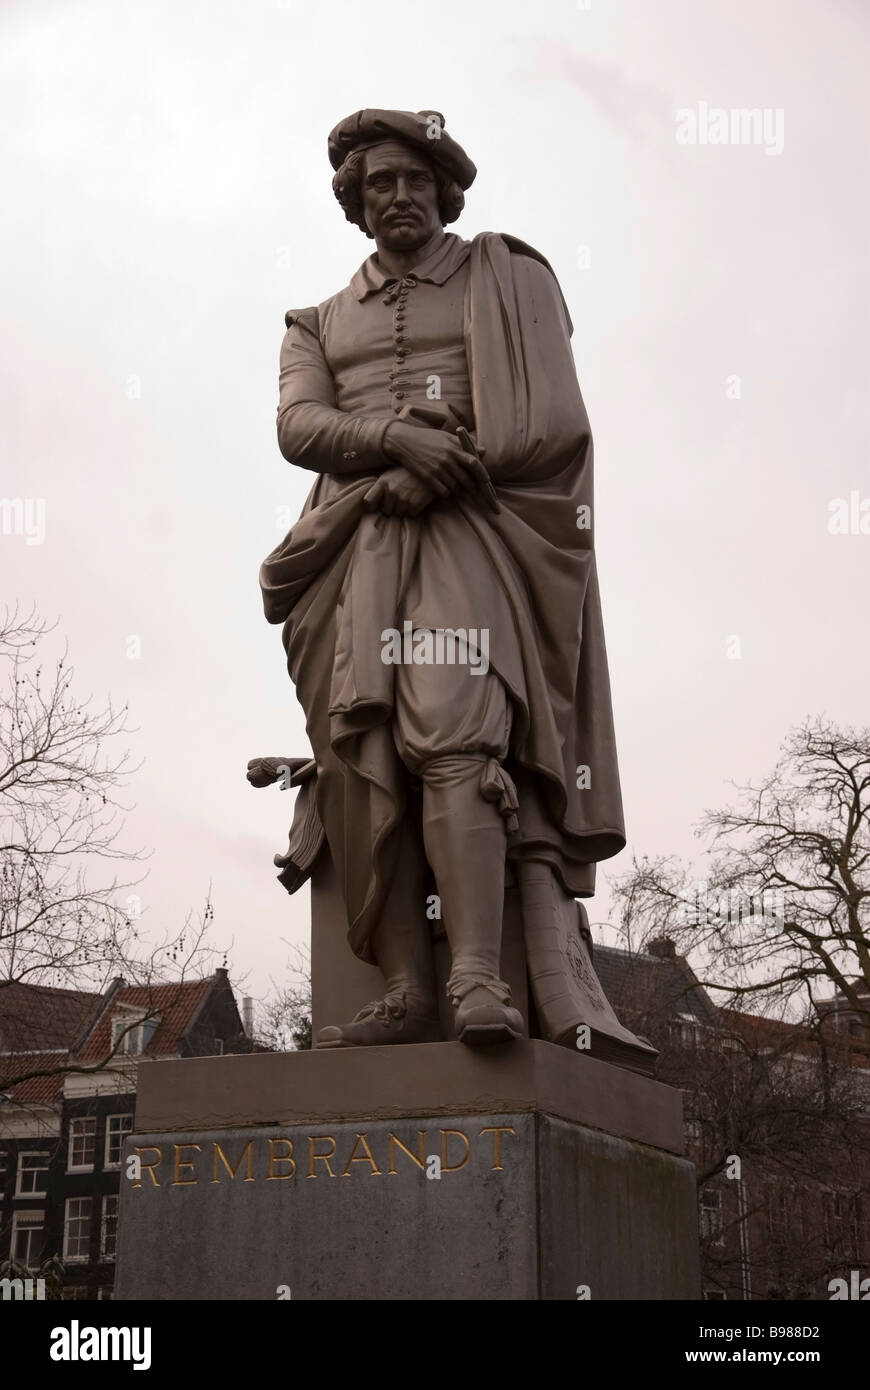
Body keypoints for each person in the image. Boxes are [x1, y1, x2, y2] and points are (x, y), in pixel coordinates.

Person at [258, 108, 625, 1049]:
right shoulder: (316, 321)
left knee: (455, 730)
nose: (398, 197)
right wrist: (391, 444)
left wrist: (445, 464)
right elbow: (299, 427)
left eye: (415, 180)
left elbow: (557, 422)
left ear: (444, 189)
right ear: (354, 201)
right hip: (348, 551)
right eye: (378, 184)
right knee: (354, 752)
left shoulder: (504, 279)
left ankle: (475, 980)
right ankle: (405, 990)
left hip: (470, 527)